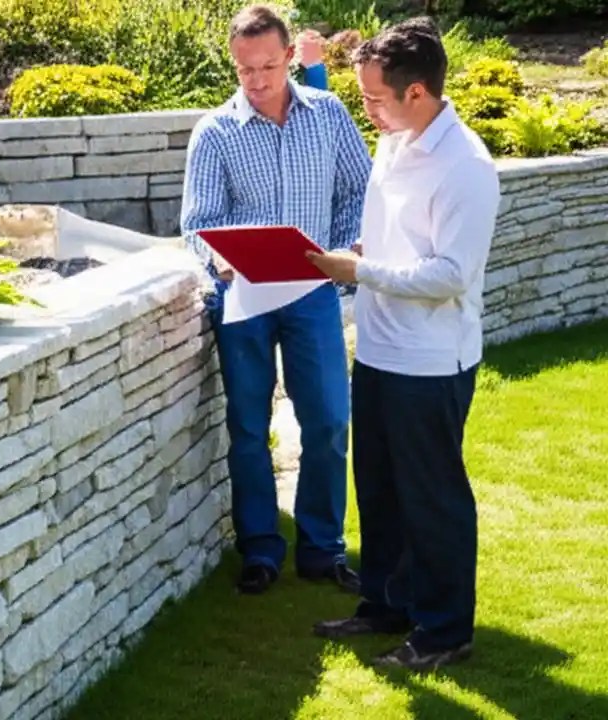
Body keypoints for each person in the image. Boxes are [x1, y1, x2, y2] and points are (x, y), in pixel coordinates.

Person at [306, 16, 500, 671]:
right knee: (382, 490)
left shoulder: (466, 167)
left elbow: (451, 274)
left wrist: (359, 272)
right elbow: (398, 238)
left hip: (430, 361)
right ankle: (387, 605)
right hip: (380, 353)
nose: (367, 111)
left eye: (373, 99)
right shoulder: (394, 143)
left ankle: (446, 632)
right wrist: (364, 253)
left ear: (418, 92)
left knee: (433, 497)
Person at [180, 5, 372, 595]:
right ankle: (260, 549)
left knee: (329, 422)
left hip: (313, 292)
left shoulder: (329, 115)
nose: (257, 81)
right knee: (247, 425)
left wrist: (340, 253)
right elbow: (199, 222)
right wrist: (218, 258)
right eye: (245, 70)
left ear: (290, 57)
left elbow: (357, 192)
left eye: (267, 66)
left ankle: (321, 550)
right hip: (243, 301)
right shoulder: (214, 132)